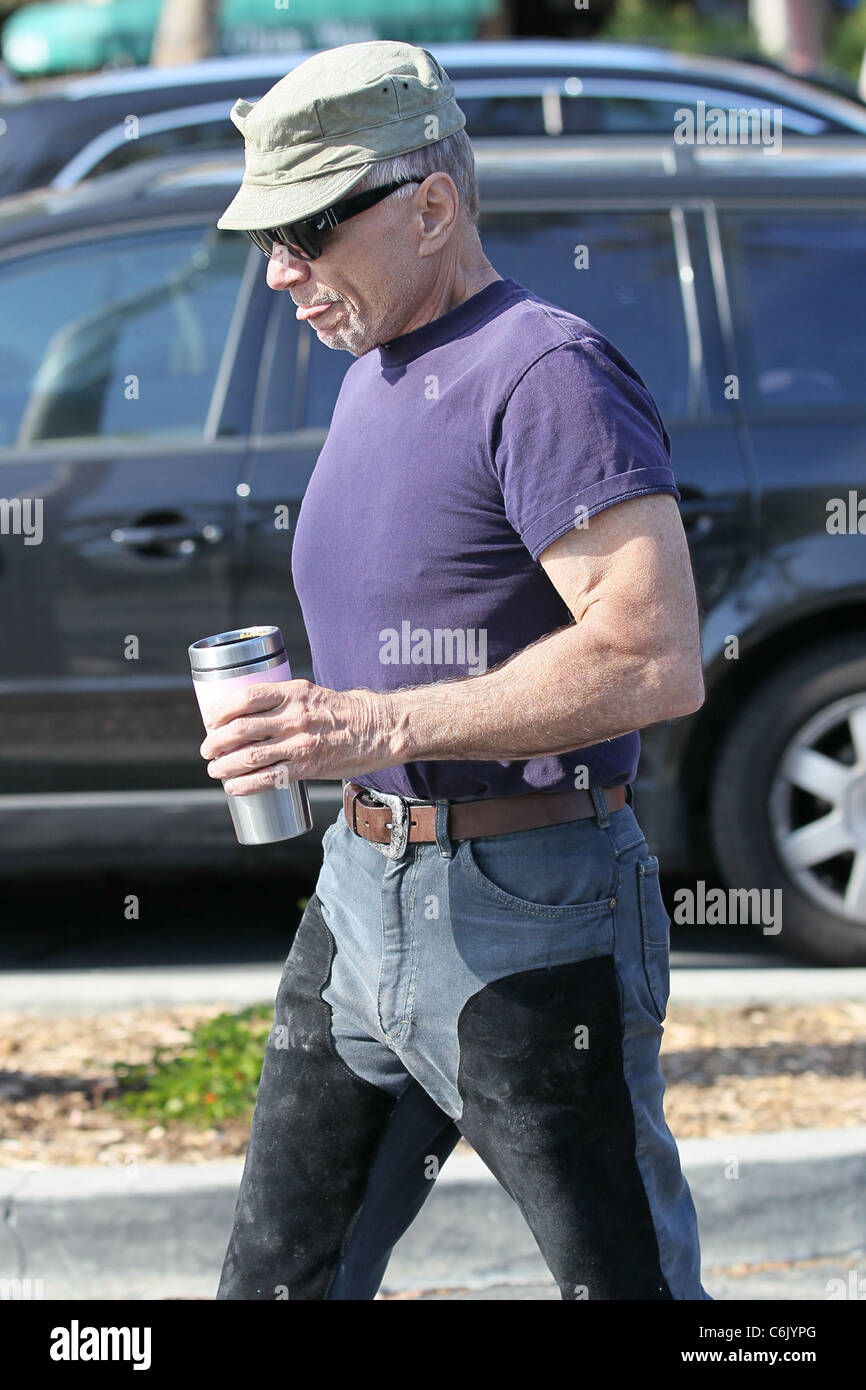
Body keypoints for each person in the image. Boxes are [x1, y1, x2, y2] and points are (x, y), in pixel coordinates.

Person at [203, 39, 710, 1301]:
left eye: (306, 232)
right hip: (357, 892)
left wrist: (375, 722)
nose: (280, 272)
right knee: (272, 1285)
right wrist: (319, 734)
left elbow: (650, 657)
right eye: (267, 240)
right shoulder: (372, 368)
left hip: (528, 908)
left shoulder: (545, 370)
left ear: (430, 206)